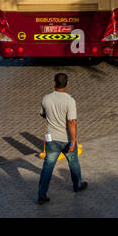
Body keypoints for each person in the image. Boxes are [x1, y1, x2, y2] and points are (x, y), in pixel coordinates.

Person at [37, 72, 87, 203]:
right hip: (66, 139)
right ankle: (77, 186)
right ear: (67, 84)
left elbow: (42, 114)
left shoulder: (46, 98)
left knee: (47, 166)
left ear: (54, 83)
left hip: (51, 139)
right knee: (73, 162)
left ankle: (42, 195)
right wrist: (73, 140)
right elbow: (71, 121)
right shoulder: (69, 100)